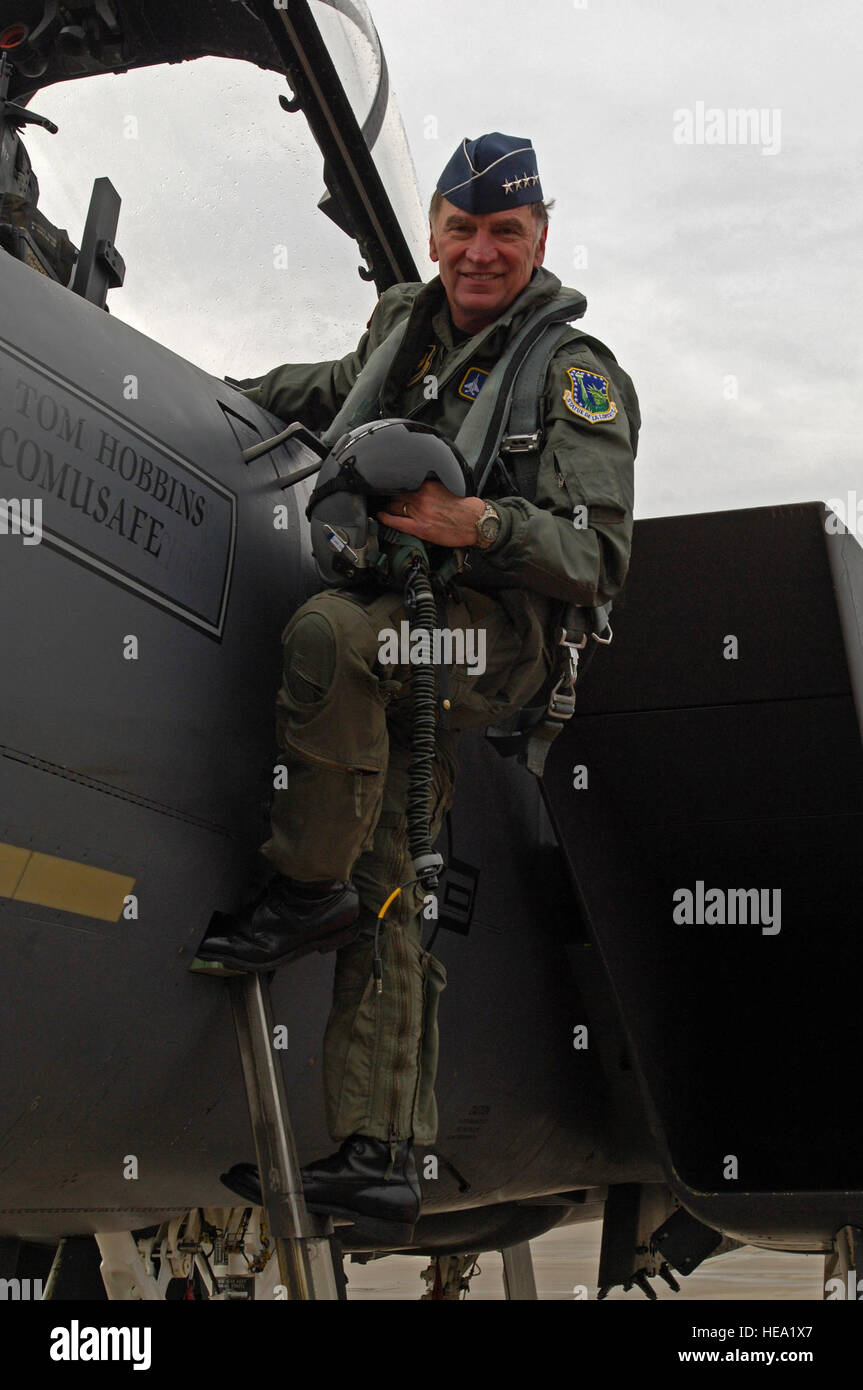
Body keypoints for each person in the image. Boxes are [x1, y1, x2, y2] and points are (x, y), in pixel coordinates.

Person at [199, 133, 639, 1245]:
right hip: (415, 615)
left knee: (332, 640)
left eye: (504, 233)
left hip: (494, 640)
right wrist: (200, 392)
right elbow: (332, 391)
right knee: (394, 874)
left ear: (540, 237)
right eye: (461, 228)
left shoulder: (571, 372)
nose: (478, 252)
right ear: (436, 228)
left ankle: (303, 883)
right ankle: (380, 1156)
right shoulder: (407, 324)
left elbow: (595, 559)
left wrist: (474, 523)